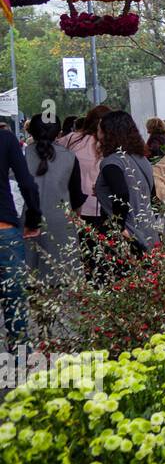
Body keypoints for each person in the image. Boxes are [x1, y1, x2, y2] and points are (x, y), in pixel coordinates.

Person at [25, 116, 85, 283]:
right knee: (62, 279)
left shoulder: (21, 155)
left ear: (30, 132)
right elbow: (76, 197)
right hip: (61, 223)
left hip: (27, 223)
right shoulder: (70, 157)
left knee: (28, 278)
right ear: (58, 133)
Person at [93, 111, 160, 256]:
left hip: (130, 233)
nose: (97, 134)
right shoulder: (142, 159)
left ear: (108, 133)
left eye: (99, 129)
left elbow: (121, 192)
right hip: (149, 229)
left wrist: (120, 227)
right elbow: (151, 193)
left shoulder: (112, 162)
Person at [0, 123, 41, 348]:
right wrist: (33, 218)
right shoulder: (6, 139)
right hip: (4, 226)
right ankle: (18, 358)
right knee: (14, 298)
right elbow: (27, 183)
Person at [58, 104, 111, 234]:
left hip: (74, 203)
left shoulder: (71, 139)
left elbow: (54, 151)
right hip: (101, 204)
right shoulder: (109, 143)